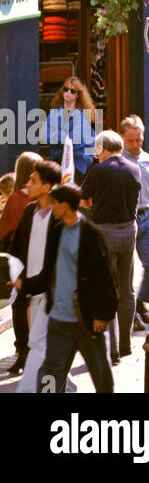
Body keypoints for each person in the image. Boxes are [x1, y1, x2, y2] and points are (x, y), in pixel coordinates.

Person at [79, 130, 140, 366]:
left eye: (98, 150)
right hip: (128, 231)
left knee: (107, 290)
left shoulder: (98, 170)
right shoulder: (134, 168)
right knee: (126, 289)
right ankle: (125, 345)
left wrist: (93, 205)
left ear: (103, 149)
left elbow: (83, 199)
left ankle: (111, 351)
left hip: (103, 233)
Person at [6, 159, 60, 389]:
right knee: (42, 345)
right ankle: (65, 387)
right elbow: (17, 247)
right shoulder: (29, 210)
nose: (28, 183)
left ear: (47, 187)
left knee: (38, 344)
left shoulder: (58, 215)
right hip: (31, 290)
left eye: (34, 180)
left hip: (51, 291)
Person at [119, 116, 149, 331]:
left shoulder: (147, 159)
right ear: (122, 138)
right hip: (124, 219)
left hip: (145, 217)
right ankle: (131, 314)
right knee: (125, 271)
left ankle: (141, 302)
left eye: (139, 140)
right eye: (131, 141)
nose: (136, 145)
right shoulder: (117, 161)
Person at [0, 152, 41, 374]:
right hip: (40, 255)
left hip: (19, 257)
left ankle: (23, 351)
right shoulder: (42, 198)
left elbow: (3, 229)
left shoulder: (17, 199)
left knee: (18, 304)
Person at [43, 78, 98, 181]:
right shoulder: (54, 114)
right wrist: (66, 137)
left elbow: (76, 141)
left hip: (77, 163)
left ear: (78, 95)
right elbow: (47, 136)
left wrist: (58, 135)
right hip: (57, 162)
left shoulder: (82, 117)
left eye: (72, 91)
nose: (68, 92)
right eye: (66, 89)